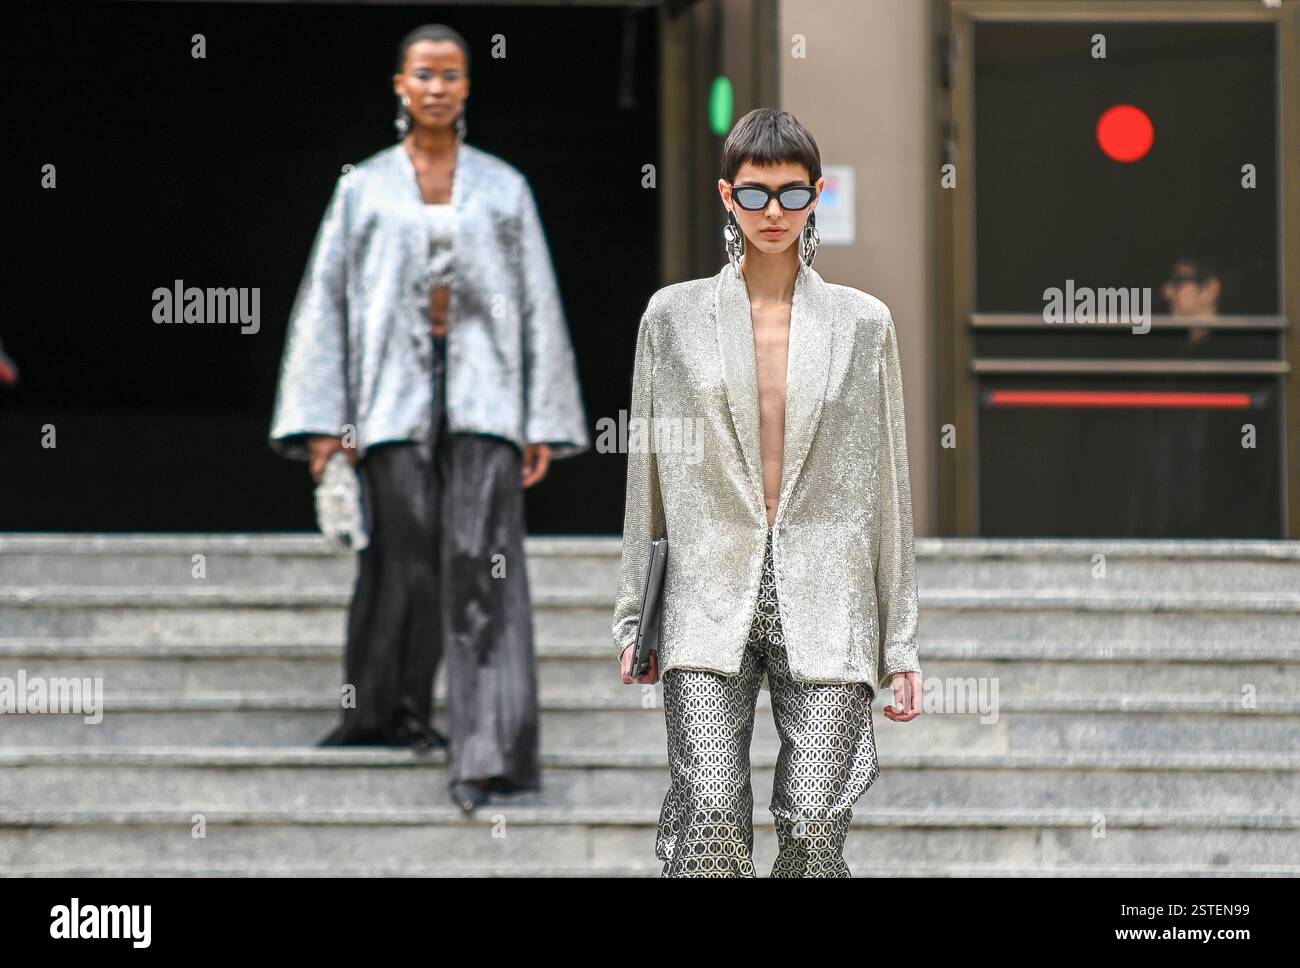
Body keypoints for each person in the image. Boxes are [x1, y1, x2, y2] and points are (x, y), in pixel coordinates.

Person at [269, 24, 589, 814]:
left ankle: (491, 746)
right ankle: (380, 710)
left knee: (483, 563)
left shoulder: (503, 187)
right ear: (400, 86)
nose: (438, 86)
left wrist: (540, 419)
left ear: (467, 86)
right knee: (400, 554)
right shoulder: (364, 188)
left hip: (485, 393)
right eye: (424, 74)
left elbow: (539, 303)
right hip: (388, 397)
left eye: (451, 74)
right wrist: (323, 422)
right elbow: (326, 305)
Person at [612, 109, 923, 877]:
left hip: (830, 596)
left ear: (816, 196)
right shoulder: (672, 317)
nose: (773, 213)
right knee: (713, 816)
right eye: (754, 195)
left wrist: (901, 641)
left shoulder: (864, 324)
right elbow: (645, 473)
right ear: (726, 195)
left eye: (791, 194)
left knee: (816, 823)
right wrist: (633, 615)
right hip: (703, 592)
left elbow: (889, 488)